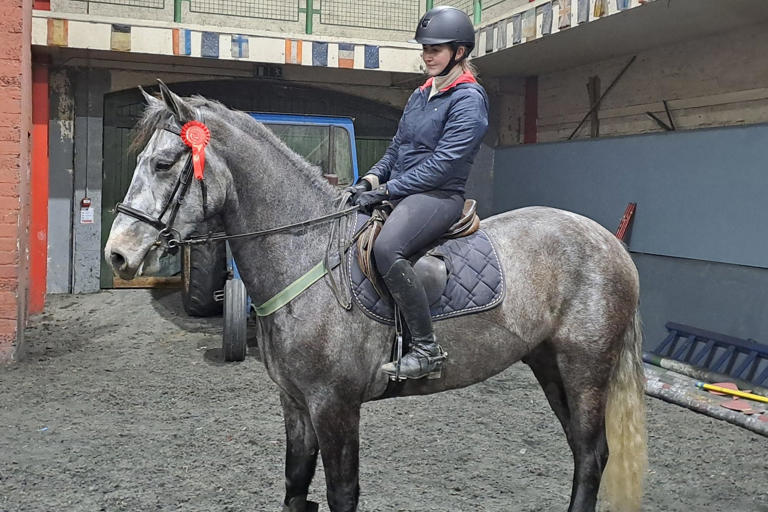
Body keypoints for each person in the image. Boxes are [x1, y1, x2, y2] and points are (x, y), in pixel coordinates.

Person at [345, 6, 489, 380]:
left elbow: (443, 164)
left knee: (385, 248)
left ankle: (426, 349)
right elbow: (396, 149)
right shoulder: (420, 94)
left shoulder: (468, 99)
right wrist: (368, 182)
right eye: (425, 48)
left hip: (439, 196)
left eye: (436, 49)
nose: (427, 55)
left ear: (458, 52)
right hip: (404, 190)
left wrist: (389, 189)